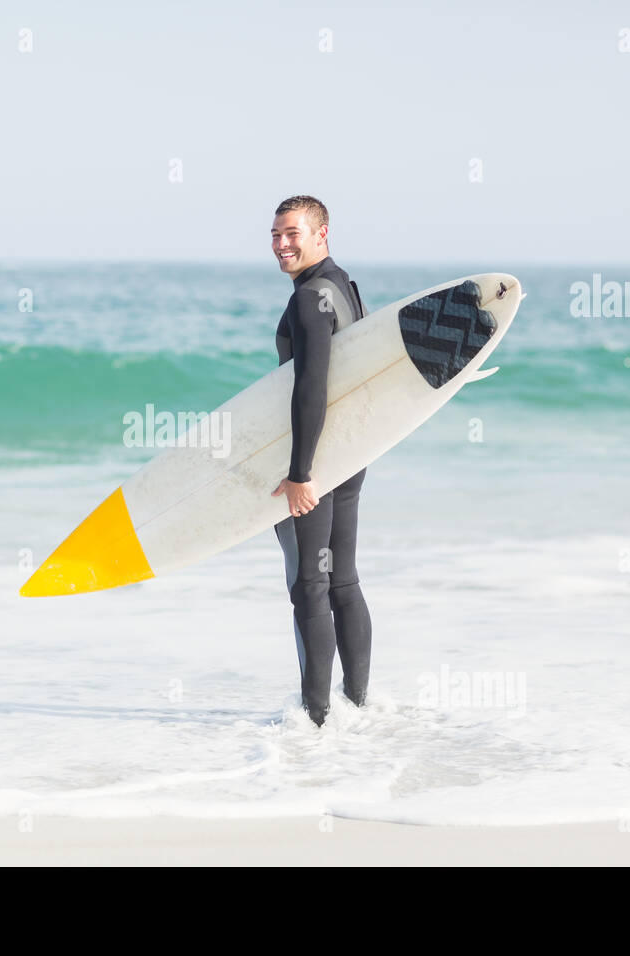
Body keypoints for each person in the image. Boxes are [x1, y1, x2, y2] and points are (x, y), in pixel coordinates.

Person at [269, 195, 373, 727]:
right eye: (276, 234)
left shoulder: (310, 298)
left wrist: (300, 474)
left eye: (293, 234)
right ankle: (358, 706)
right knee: (342, 581)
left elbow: (311, 387)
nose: (282, 244)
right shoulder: (342, 286)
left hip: (320, 461)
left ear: (321, 233)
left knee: (310, 584)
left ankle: (315, 722)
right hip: (350, 454)